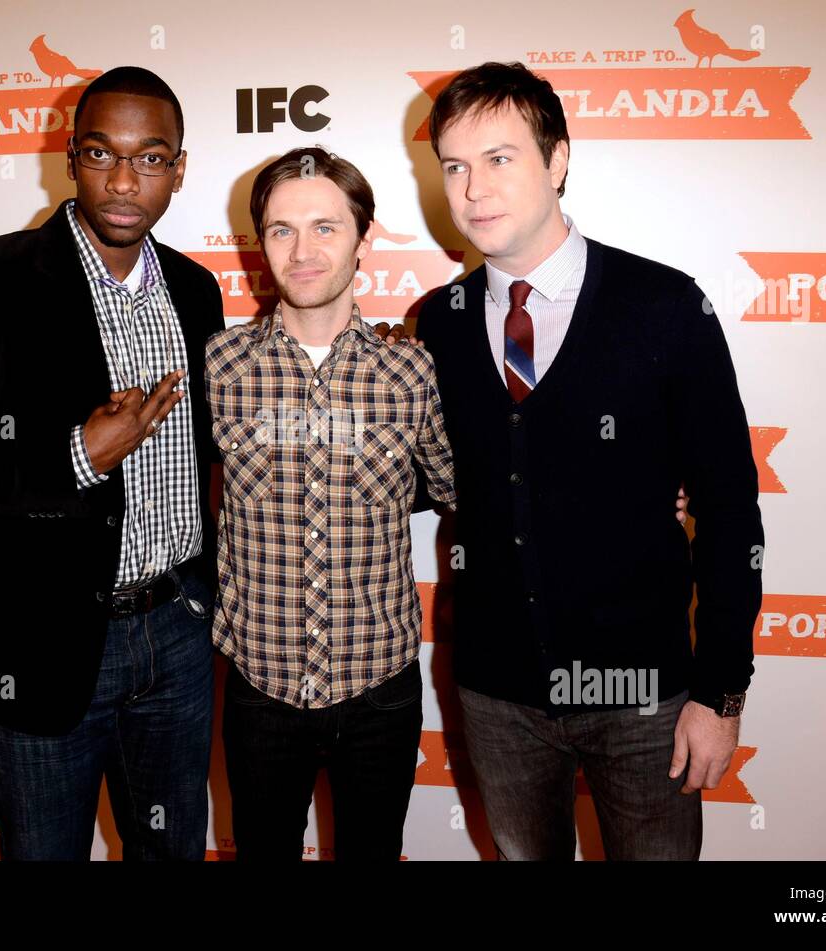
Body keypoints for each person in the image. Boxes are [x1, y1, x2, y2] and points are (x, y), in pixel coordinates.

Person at [414, 62, 764, 860]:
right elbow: (427, 479)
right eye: (456, 166)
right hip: (497, 695)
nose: (473, 189)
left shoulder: (666, 307)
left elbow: (730, 507)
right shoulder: (440, 322)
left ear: (559, 160)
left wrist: (721, 689)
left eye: (500, 158)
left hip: (646, 696)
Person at [0, 66, 223, 861]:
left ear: (178, 170)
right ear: (70, 157)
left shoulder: (196, 289)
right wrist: (76, 455)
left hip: (177, 634)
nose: (123, 180)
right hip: (38, 645)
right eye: (102, 152)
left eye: (149, 158)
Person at [205, 147, 457, 861]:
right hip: (260, 687)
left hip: (379, 687)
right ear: (260, 243)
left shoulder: (410, 370)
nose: (303, 250)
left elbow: (466, 484)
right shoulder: (219, 367)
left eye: (325, 227)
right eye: (281, 230)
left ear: (363, 238)